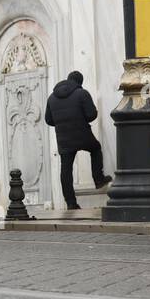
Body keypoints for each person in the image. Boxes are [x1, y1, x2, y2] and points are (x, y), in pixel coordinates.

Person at [44, 70, 113, 210]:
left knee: (66, 168)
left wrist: (61, 122)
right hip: (82, 133)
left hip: (64, 138)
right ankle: (98, 179)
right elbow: (91, 115)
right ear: (79, 82)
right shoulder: (82, 93)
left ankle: (70, 203)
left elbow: (48, 120)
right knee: (95, 148)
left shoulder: (52, 98)